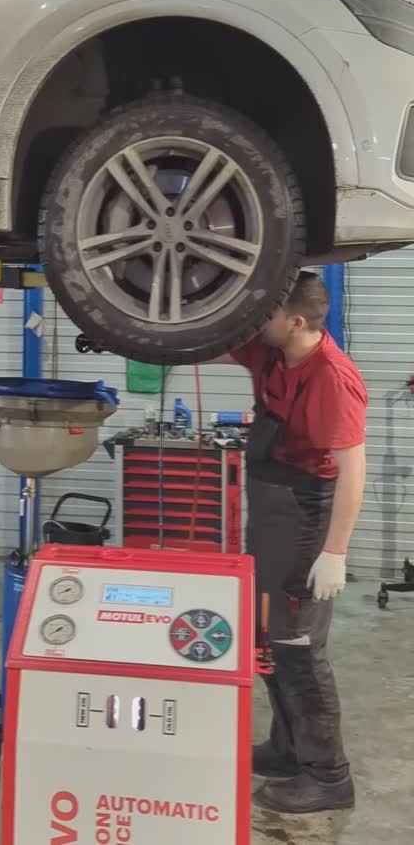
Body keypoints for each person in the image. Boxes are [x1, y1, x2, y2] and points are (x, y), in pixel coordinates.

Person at [225, 271, 367, 814]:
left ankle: (329, 776)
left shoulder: (332, 376)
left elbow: (353, 472)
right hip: (271, 510)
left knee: (299, 647)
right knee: (267, 637)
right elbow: (207, 342)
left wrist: (334, 553)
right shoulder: (269, 350)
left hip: (308, 516)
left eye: (268, 313)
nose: (258, 321)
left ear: (297, 321)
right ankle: (288, 749)